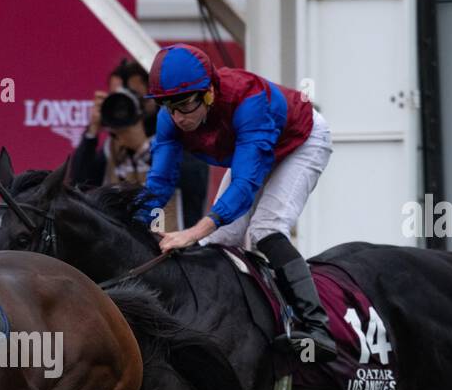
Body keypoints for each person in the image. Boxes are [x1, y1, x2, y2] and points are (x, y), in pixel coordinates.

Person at [138, 43, 336, 361]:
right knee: (220, 240)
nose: (178, 118)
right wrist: (135, 221)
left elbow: (244, 185)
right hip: (255, 149)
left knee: (265, 229)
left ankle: (318, 329)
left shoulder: (249, 101)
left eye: (184, 105)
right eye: (168, 107)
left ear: (208, 93)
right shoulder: (171, 119)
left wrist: (192, 233)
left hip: (303, 140)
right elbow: (160, 183)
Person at [108, 58, 208, 222]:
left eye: (135, 95)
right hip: (128, 234)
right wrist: (90, 135)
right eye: (120, 96)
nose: (127, 103)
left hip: (175, 233)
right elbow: (80, 185)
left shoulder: (183, 129)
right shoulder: (115, 142)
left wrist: (144, 148)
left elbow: (194, 182)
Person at [70, 89, 183, 230]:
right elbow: (79, 184)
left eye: (124, 107)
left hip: (166, 236)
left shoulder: (170, 142)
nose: (120, 112)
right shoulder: (110, 149)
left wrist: (142, 147)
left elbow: (185, 178)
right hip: (120, 238)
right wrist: (92, 131)